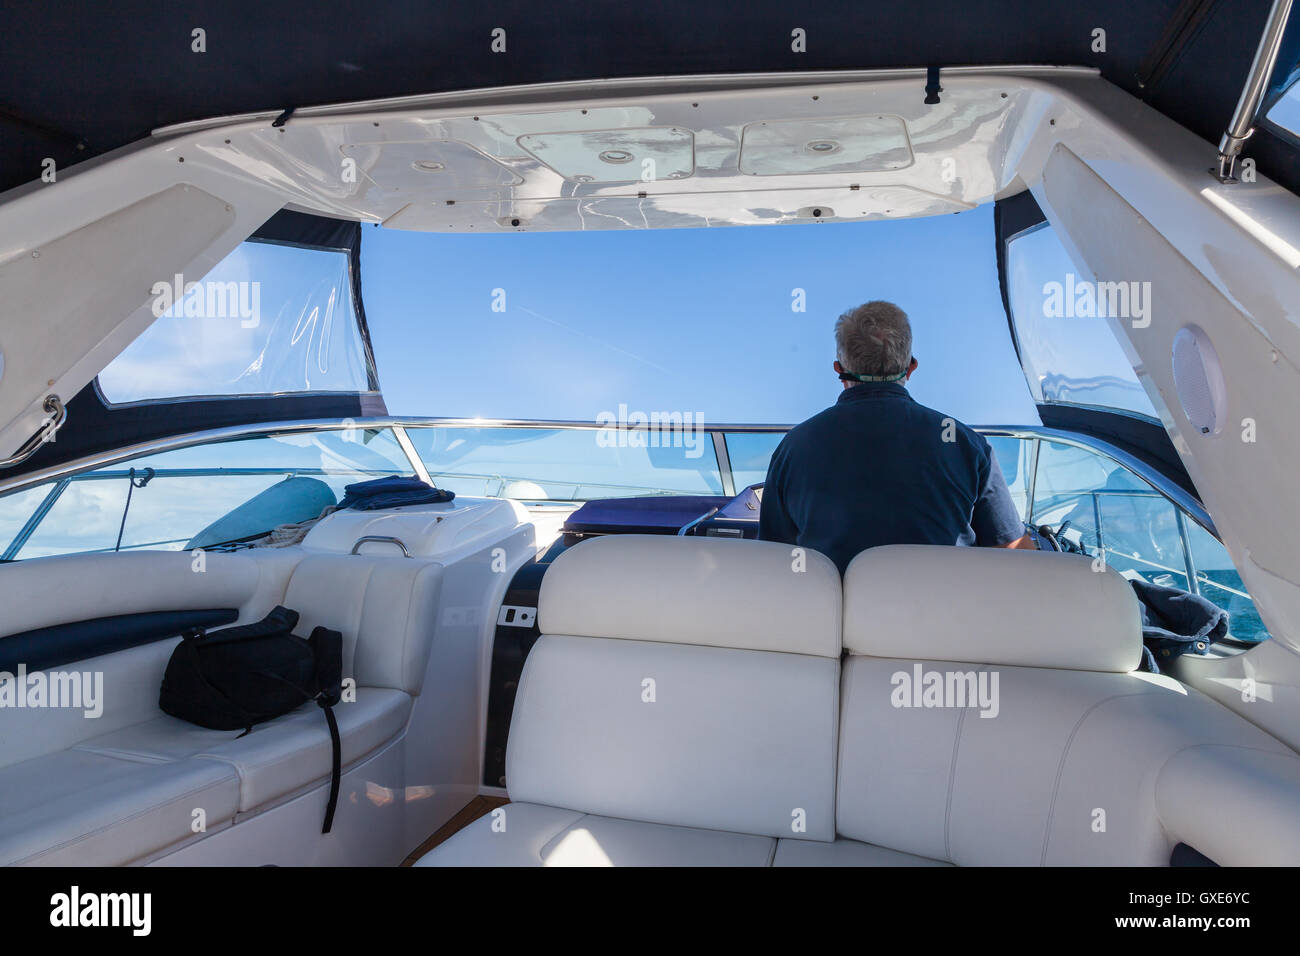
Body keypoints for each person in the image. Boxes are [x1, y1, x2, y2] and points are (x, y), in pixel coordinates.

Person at [759, 300, 1034, 572]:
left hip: (836, 617)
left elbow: (777, 560)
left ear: (838, 370)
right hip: (944, 614)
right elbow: (1014, 554)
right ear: (911, 367)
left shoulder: (794, 447)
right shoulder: (965, 444)